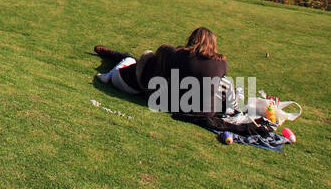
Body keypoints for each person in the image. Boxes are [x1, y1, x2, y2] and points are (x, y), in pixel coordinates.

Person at [94, 27, 271, 135]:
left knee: (130, 59)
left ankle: (115, 60)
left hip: (138, 79)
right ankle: (115, 57)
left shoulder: (178, 55)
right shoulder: (221, 62)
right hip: (175, 98)